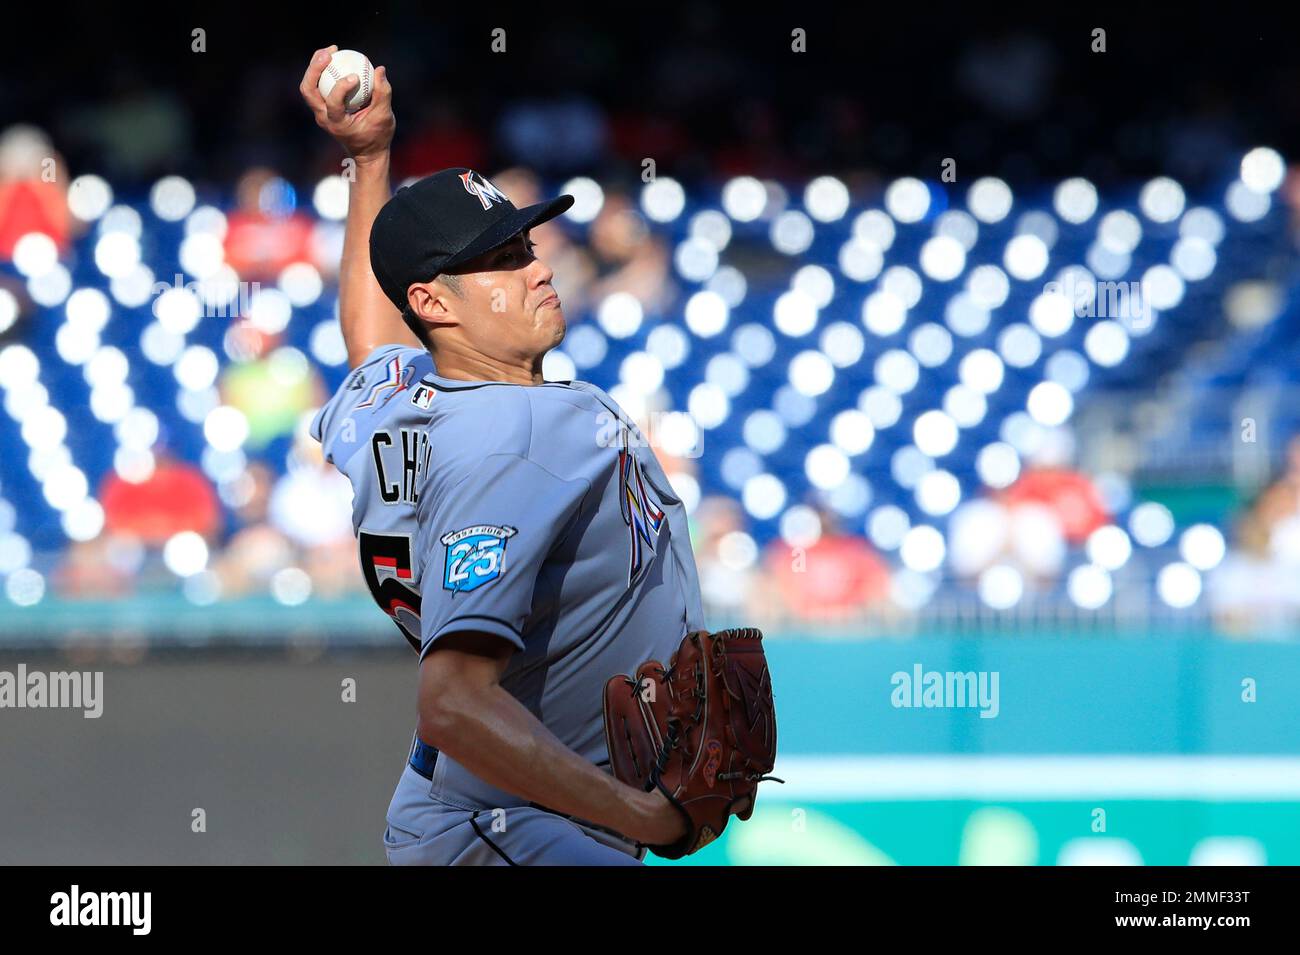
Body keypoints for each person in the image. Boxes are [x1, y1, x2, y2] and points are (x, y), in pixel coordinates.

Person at [300, 47, 695, 864]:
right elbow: (451, 703)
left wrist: (369, 160)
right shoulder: (513, 441)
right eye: (501, 260)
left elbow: (370, 340)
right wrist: (640, 813)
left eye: (525, 243)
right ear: (436, 303)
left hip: (483, 806)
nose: (538, 268)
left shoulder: (399, 395)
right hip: (515, 818)